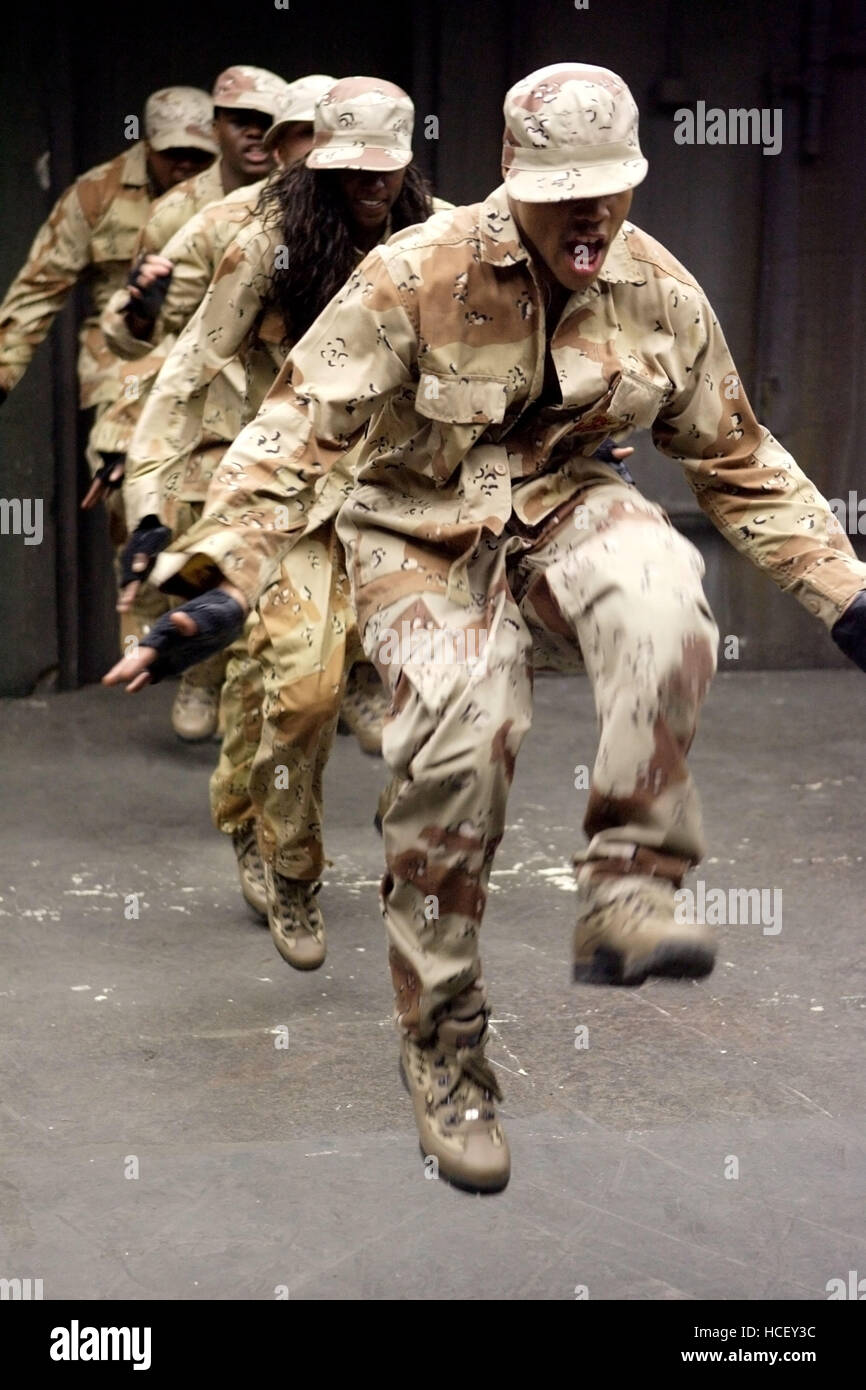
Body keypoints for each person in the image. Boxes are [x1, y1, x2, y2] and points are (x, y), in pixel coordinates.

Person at [106, 61, 866, 1193]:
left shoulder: (655, 289)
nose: (591, 216)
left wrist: (845, 594)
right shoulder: (415, 272)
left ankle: (627, 891)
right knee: (459, 750)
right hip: (415, 537)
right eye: (566, 191)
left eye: (611, 188)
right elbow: (294, 432)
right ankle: (446, 1051)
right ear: (511, 176)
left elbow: (736, 458)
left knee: (660, 589)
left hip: (564, 509)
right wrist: (215, 574)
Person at [108, 78, 450, 961]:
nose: (370, 187)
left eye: (386, 170)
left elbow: (527, 342)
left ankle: (412, 835)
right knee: (298, 691)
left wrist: (580, 435)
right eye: (349, 169)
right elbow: (177, 370)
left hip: (402, 493)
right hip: (284, 495)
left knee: (459, 692)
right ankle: (285, 860)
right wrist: (148, 511)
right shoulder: (262, 241)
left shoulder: (441, 238)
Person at [89, 64, 293, 738]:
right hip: (214, 399)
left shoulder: (339, 208)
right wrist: (124, 429)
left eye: (272, 125)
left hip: (303, 404)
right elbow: (139, 333)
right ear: (219, 127)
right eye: (243, 122)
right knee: (197, 534)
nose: (257, 137)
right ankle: (204, 672)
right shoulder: (187, 215)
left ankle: (348, 680)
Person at [0, 86, 217, 640]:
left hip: (210, 342)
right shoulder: (96, 194)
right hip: (122, 355)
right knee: (125, 472)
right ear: (148, 144)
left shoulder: (233, 191)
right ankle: (144, 611)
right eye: (174, 153)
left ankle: (209, 641)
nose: (187, 164)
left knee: (221, 486)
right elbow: (38, 290)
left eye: (200, 152)